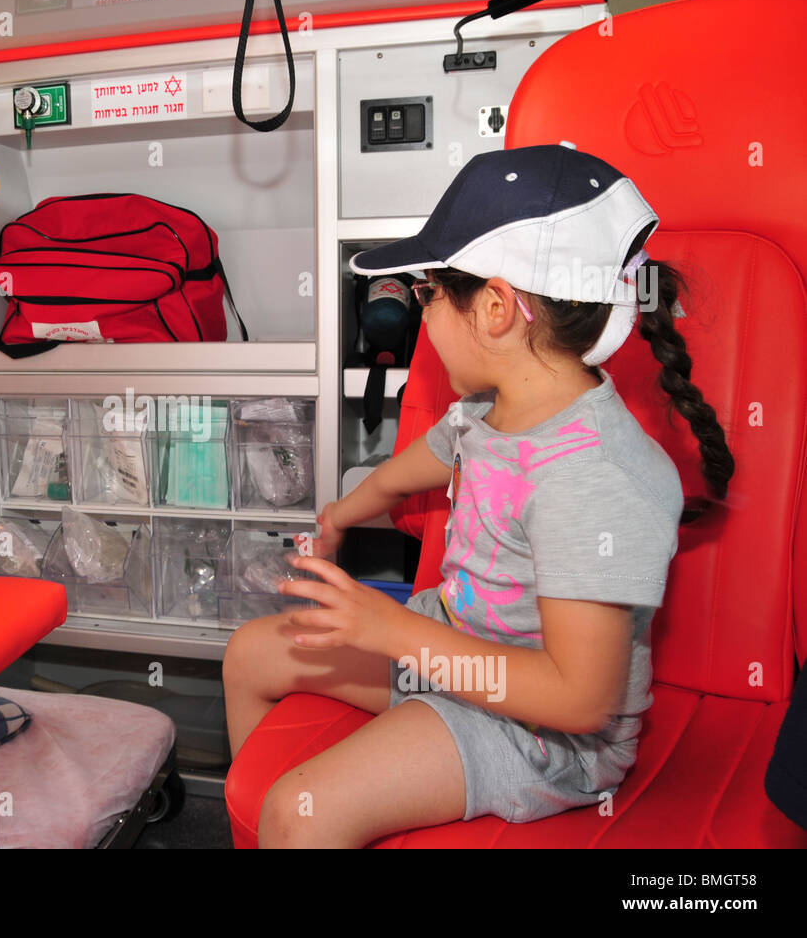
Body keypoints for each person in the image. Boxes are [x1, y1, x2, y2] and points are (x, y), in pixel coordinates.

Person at [222, 143, 735, 848]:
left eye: (429, 295)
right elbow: (398, 476)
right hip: (451, 645)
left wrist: (392, 630)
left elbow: (581, 699)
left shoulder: (598, 475)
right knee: (249, 653)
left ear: (495, 307)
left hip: (540, 727)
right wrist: (338, 517)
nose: (423, 317)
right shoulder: (483, 414)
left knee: (298, 811)